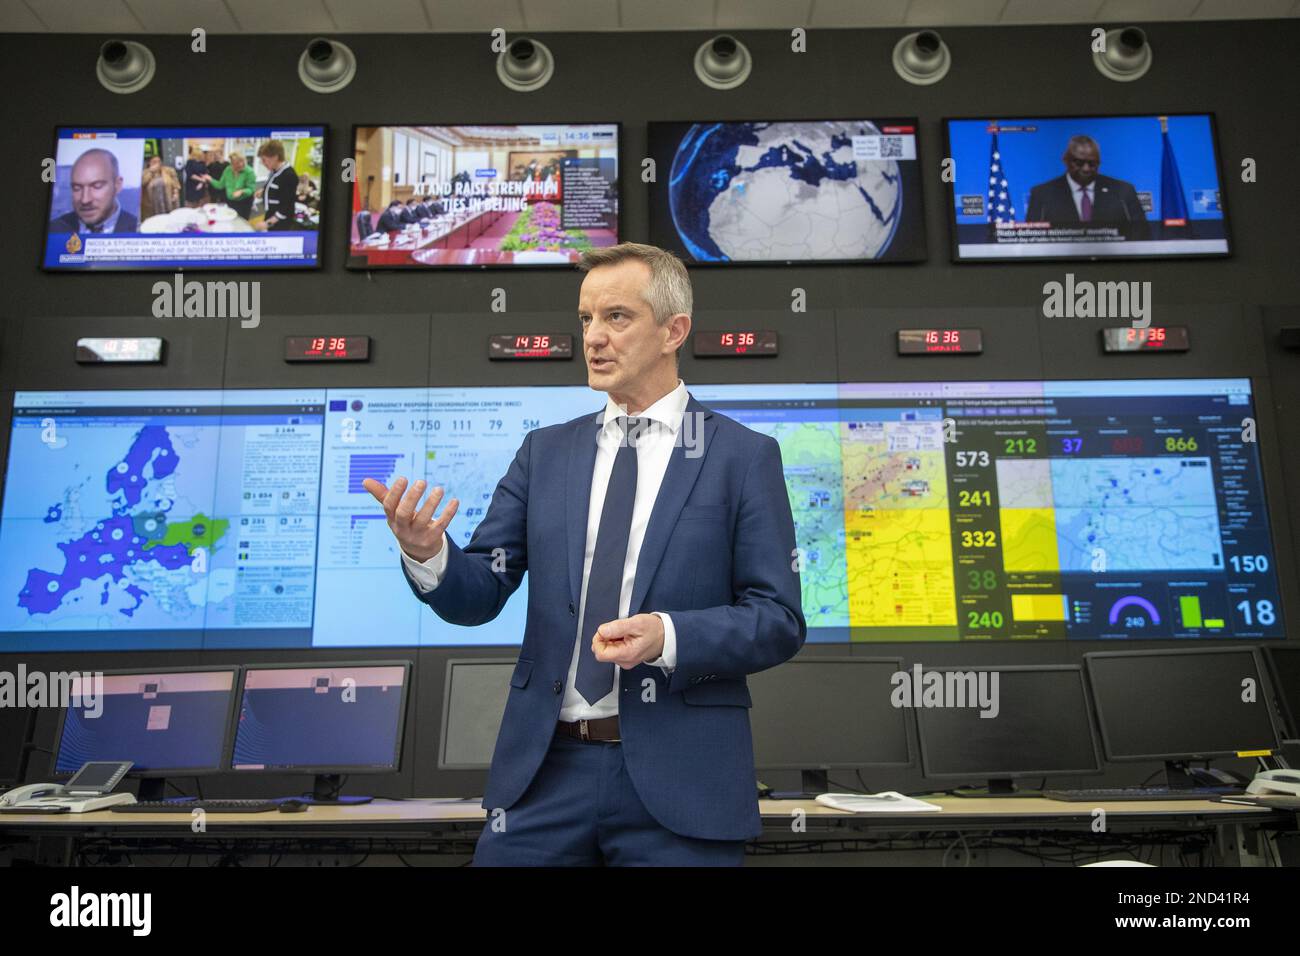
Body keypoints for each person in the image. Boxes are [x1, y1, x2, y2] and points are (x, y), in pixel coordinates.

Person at [363, 242, 806, 866]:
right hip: (545, 775)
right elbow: (480, 594)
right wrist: (429, 554)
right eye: (585, 320)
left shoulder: (741, 457)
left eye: (617, 317)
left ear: (673, 330)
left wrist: (667, 633)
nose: (594, 338)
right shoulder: (546, 454)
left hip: (682, 781)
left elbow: (777, 620)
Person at [1026, 134, 1149, 239]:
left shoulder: (1123, 191)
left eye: (1092, 164)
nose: (1086, 169)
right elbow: (1032, 239)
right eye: (1079, 162)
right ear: (1066, 160)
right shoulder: (1043, 194)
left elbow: (1142, 235)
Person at [48, 148, 138, 234]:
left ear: (117, 185)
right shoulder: (53, 229)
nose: (85, 200)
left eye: (96, 186)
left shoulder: (139, 229)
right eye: (77, 188)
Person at [254, 139, 299, 232]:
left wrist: (267, 223)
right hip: (270, 214)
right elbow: (277, 187)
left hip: (280, 222)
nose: (262, 163)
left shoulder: (289, 175)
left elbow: (286, 206)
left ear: (275, 157)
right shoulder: (274, 170)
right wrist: (264, 191)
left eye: (264, 160)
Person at [197, 152, 256, 220]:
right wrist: (210, 179)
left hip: (244, 203)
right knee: (230, 220)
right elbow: (220, 185)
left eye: (242, 164)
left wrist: (242, 191)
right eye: (236, 164)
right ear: (232, 163)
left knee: (241, 222)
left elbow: (251, 189)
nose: (240, 166)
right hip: (230, 201)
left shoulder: (249, 172)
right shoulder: (228, 170)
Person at [139, 153, 180, 220]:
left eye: (159, 161)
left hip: (167, 200)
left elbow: (175, 183)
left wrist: (176, 193)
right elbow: (142, 183)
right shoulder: (144, 173)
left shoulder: (169, 170)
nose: (157, 163)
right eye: (154, 162)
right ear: (149, 163)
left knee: (168, 219)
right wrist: (151, 171)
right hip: (152, 204)